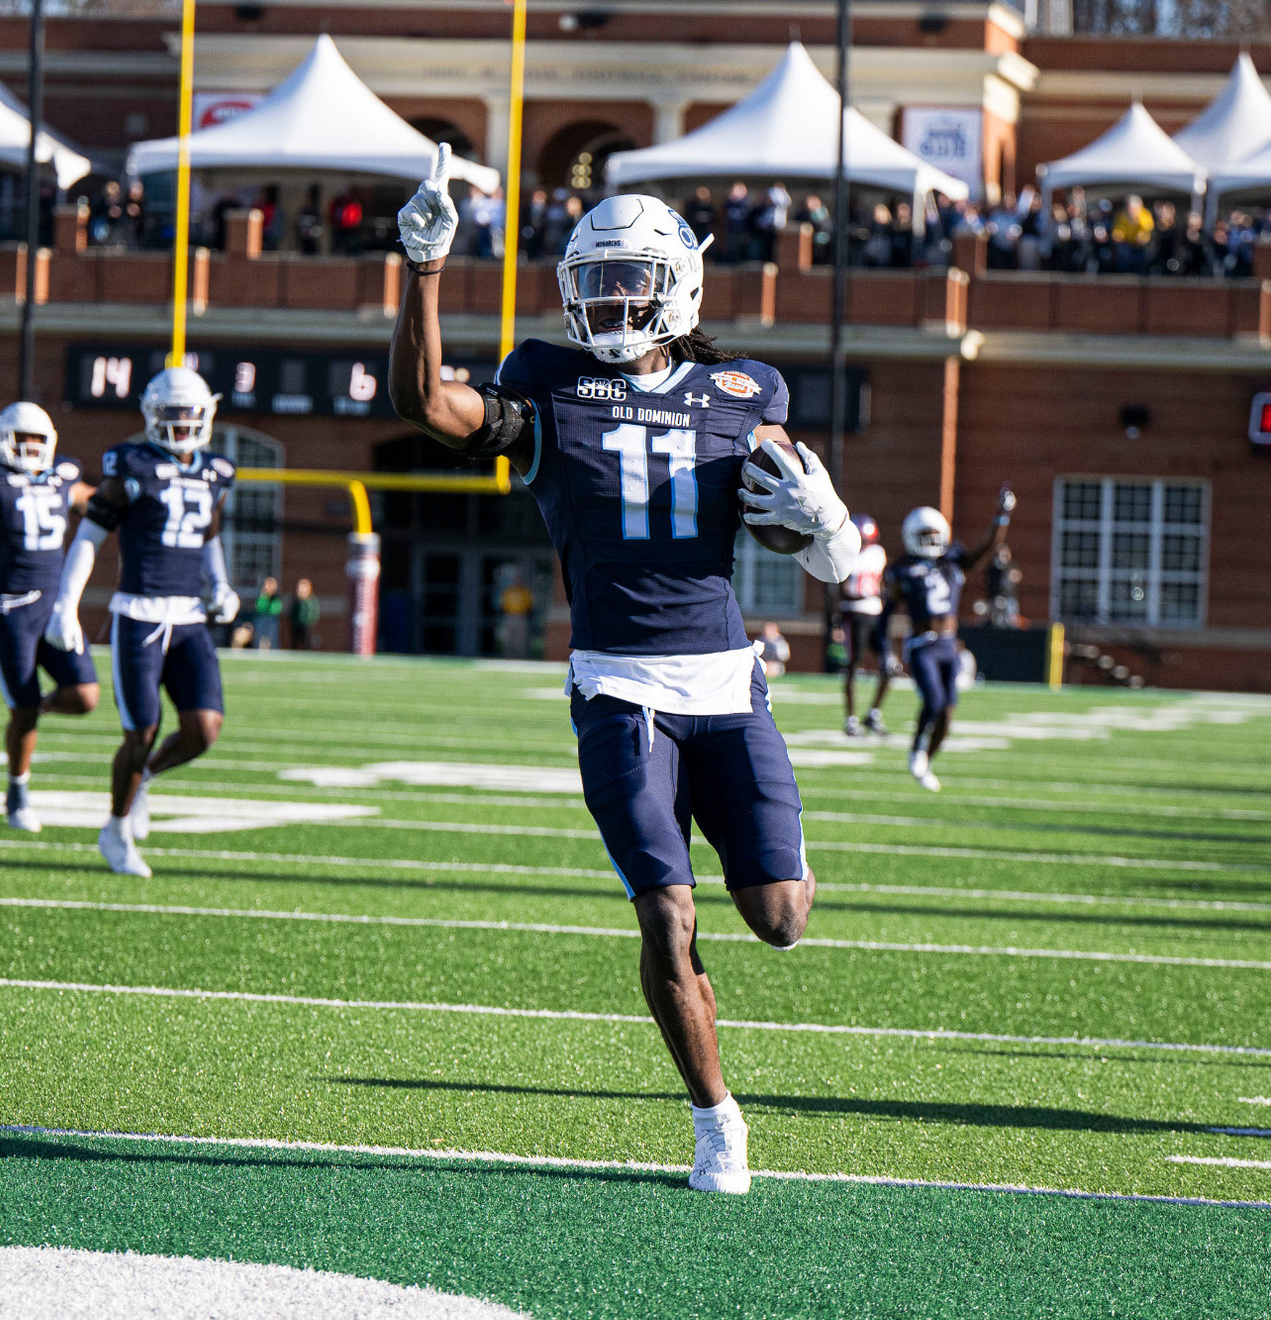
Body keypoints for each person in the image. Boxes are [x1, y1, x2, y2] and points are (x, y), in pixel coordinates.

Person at [389, 149, 861, 1195]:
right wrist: (423, 269)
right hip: (619, 683)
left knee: (779, 917)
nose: (609, 299)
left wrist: (824, 526)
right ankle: (715, 1119)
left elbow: (788, 518)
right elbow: (430, 405)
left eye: (628, 280)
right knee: (666, 912)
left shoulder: (745, 390)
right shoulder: (549, 384)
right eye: (593, 282)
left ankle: (774, 850)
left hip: (728, 683)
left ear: (677, 284)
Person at [44, 366, 239, 879]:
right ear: (151, 416)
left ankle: (145, 779)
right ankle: (116, 827)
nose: (179, 425)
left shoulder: (216, 470)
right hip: (140, 616)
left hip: (190, 616)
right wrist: (67, 606)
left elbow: (210, 530)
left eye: (188, 415)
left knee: (204, 729)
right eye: (169, 414)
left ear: (206, 416)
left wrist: (219, 583)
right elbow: (89, 536)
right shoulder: (131, 466)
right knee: (141, 731)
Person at [0, 401, 99, 833]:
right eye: (21, 438)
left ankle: (33, 712)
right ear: (4, 439)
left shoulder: (64, 475)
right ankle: (17, 792)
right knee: (22, 710)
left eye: (38, 439)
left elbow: (93, 501)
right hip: (11, 606)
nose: (29, 446)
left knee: (84, 697)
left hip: (57, 607)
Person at [881, 488, 1013, 792]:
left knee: (948, 713)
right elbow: (886, 613)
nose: (930, 541)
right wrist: (886, 651)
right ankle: (916, 749)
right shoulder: (902, 569)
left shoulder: (953, 560)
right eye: (923, 535)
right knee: (935, 701)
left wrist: (1001, 516)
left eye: (933, 535)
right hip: (921, 644)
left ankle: (926, 758)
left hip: (949, 644)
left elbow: (988, 548)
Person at [839, 513, 892, 737]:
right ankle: (851, 720)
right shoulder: (844, 555)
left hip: (875, 615)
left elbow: (882, 583)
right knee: (853, 665)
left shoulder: (878, 554)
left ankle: (873, 714)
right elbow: (840, 590)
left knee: (890, 666)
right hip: (854, 615)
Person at [498, 568, 534, 659]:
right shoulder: (508, 591)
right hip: (509, 616)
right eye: (516, 579)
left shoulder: (525, 592)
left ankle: (520, 658)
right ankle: (507, 657)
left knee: (521, 640)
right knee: (508, 639)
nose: (517, 581)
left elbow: (529, 605)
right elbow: (503, 604)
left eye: (519, 579)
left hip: (521, 617)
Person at [251, 576, 283, 650]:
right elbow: (260, 607)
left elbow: (275, 610)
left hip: (272, 620)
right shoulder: (262, 597)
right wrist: (265, 597)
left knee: (273, 638)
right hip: (261, 619)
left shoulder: (276, 598)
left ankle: (274, 652)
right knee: (259, 638)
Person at [288, 577, 320, 650]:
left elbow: (314, 612)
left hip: (306, 625)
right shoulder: (296, 600)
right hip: (296, 624)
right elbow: (292, 612)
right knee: (294, 642)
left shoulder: (311, 600)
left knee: (307, 642)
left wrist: (310, 621)